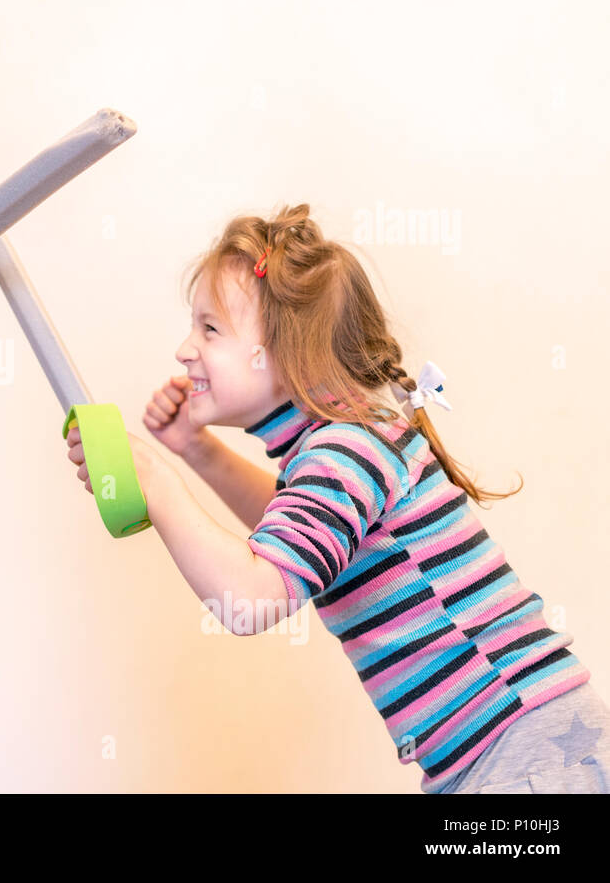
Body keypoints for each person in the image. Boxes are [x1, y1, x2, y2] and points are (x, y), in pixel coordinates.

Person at [66, 203, 607, 793]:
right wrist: (196, 454)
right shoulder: (345, 442)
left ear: (286, 351)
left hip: (525, 750)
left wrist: (153, 479)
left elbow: (252, 597)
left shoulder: (348, 448)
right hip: (510, 744)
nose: (184, 348)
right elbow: (298, 539)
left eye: (210, 329)